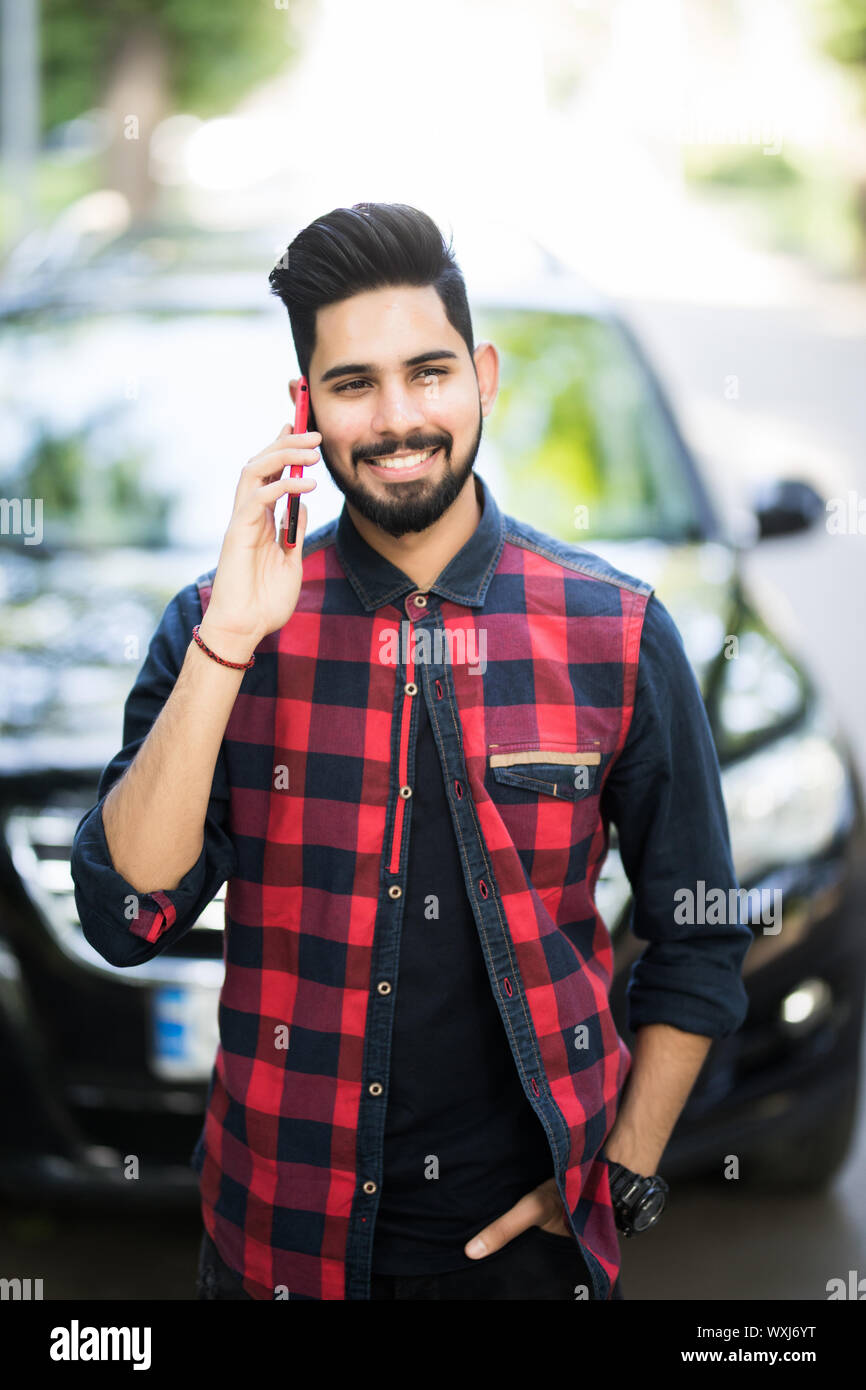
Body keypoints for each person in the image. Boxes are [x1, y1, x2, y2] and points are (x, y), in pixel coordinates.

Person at [71, 202, 752, 1302]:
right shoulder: (218, 623)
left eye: (427, 373)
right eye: (352, 385)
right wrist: (229, 640)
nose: (397, 418)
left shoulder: (614, 630)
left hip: (522, 1265)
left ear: (481, 376)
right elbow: (124, 914)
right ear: (305, 408)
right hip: (271, 1249)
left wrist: (618, 1182)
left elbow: (700, 943)